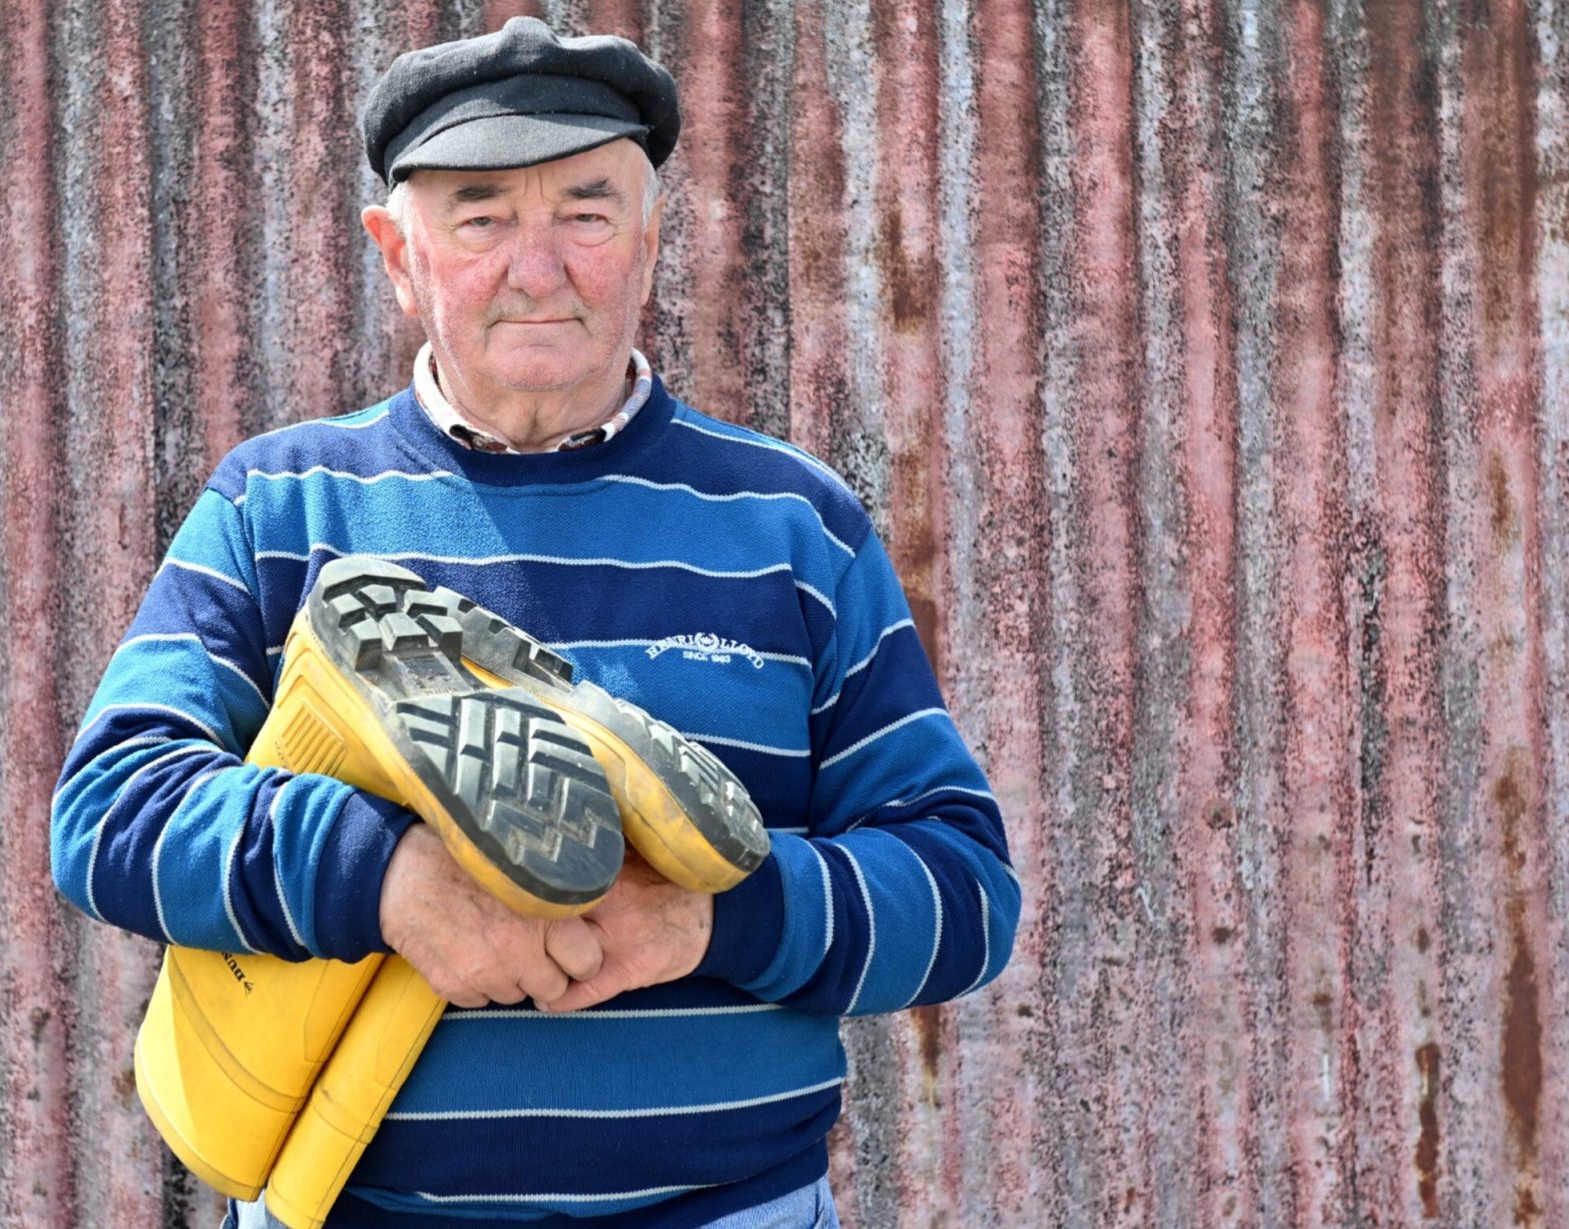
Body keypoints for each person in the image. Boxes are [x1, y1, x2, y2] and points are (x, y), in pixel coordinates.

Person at [50, 17, 1021, 1228]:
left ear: (652, 241)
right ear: (397, 253)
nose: (538, 263)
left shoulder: (792, 526)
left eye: (586, 210)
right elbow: (109, 813)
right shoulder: (280, 506)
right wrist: (386, 880)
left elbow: (964, 889)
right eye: (480, 215)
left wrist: (712, 914)